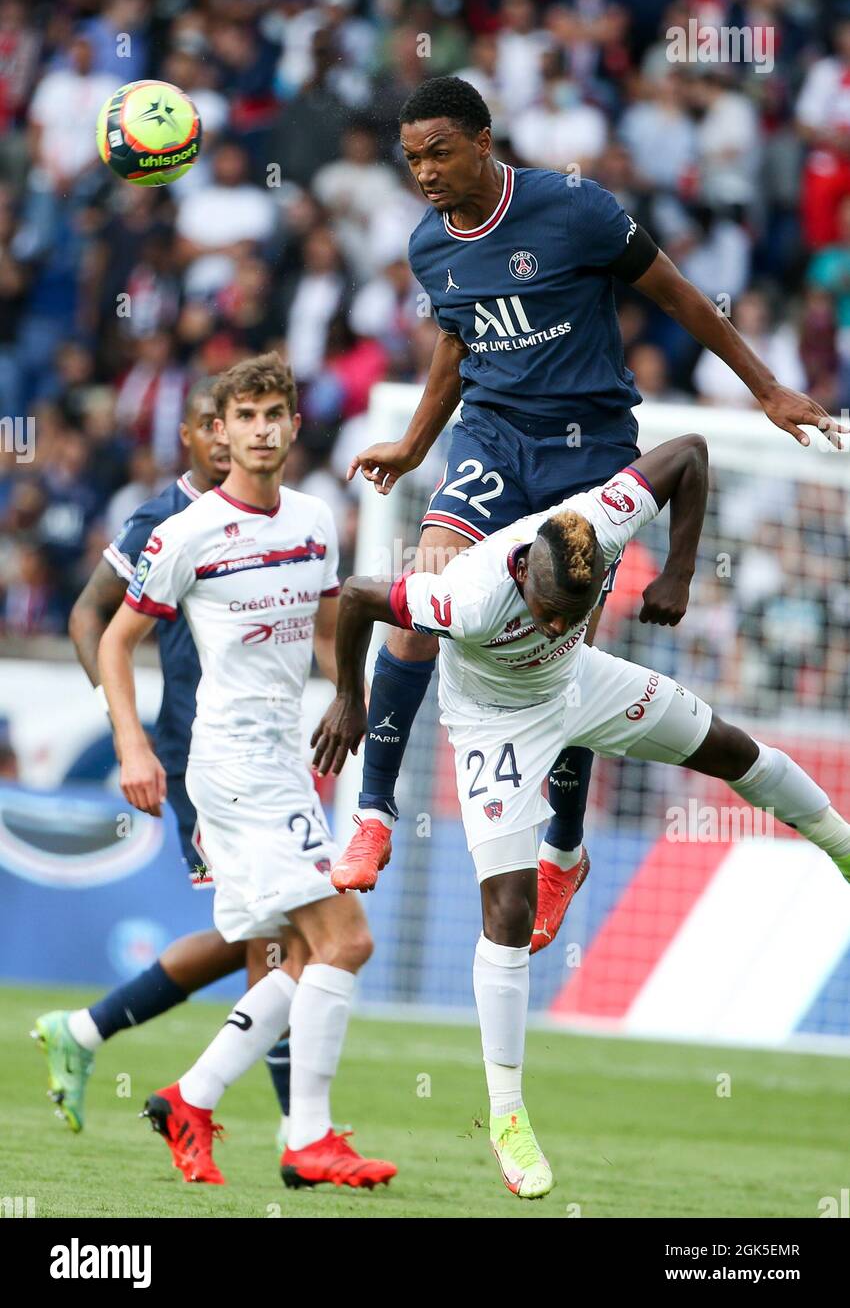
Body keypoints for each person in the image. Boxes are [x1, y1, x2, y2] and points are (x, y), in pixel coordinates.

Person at [332, 75, 843, 954]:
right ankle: (374, 811)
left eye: (439, 153)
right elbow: (460, 339)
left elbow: (680, 294)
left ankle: (564, 849)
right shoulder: (429, 246)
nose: (424, 172)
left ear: (485, 141)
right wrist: (418, 446)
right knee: (421, 603)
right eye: (411, 158)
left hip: (588, 449)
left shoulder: (576, 209)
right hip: (493, 443)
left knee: (558, 658)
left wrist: (766, 389)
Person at [313, 434, 850, 1198]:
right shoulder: (462, 598)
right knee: (505, 907)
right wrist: (348, 696)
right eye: (551, 611)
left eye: (577, 609)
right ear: (523, 579)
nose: (561, 621)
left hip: (578, 689)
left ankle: (840, 843)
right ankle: (507, 1116)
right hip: (494, 724)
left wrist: (679, 570)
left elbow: (694, 452)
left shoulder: (599, 520)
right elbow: (364, 596)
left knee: (729, 748)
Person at [98, 353, 395, 1190]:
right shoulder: (184, 534)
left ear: (296, 426)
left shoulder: (314, 518)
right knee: (348, 937)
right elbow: (118, 638)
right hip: (230, 765)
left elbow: (337, 615)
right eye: (247, 417)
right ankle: (309, 1140)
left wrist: (349, 693)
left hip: (284, 759)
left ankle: (191, 1097)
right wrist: (132, 743)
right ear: (218, 433)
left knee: (296, 955)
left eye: (276, 414)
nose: (262, 430)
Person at [32, 379, 298, 1150]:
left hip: (257, 750)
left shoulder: (274, 516)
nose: (229, 438)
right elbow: (90, 617)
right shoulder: (165, 518)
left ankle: (85, 1029)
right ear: (191, 434)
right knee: (277, 936)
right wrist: (126, 729)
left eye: (245, 422)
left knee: (265, 930)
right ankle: (293, 1131)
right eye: (216, 425)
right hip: (199, 755)